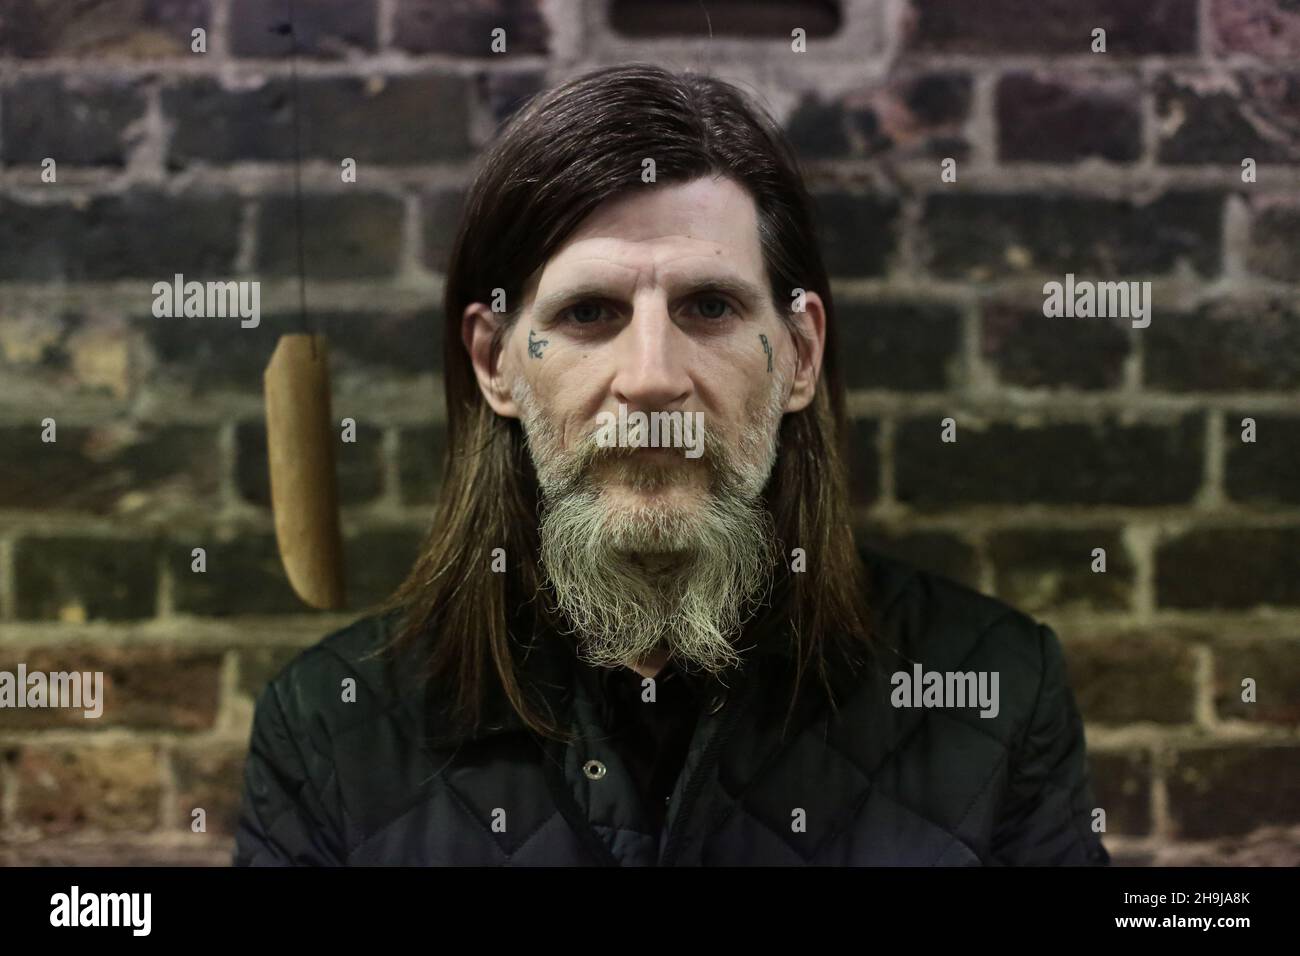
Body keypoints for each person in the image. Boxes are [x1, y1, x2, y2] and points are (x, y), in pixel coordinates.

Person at [234, 63, 1109, 866]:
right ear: (495, 362)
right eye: (588, 314)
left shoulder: (990, 690)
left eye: (709, 305)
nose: (651, 379)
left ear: (799, 355)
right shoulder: (329, 728)